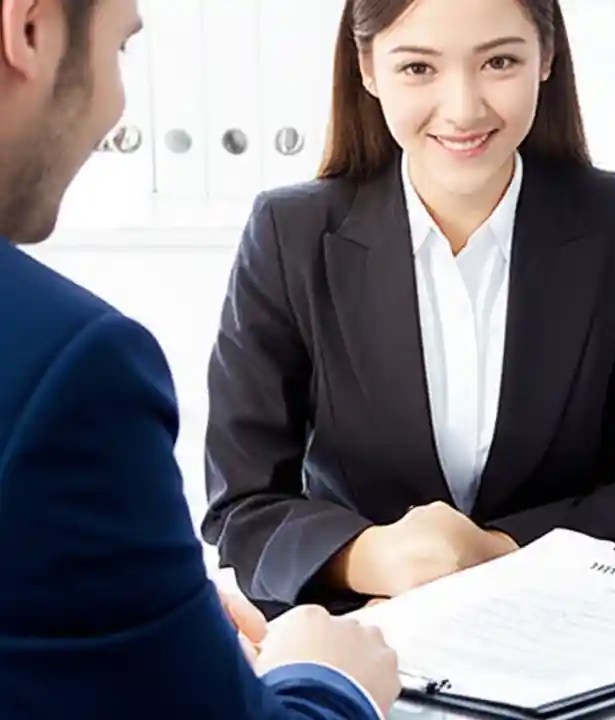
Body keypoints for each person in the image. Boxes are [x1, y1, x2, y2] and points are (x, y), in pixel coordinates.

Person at [202, 0, 615, 617]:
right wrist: (376, 557)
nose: (464, 108)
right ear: (367, 68)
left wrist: (496, 555)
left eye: (499, 61)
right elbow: (243, 507)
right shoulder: (290, 232)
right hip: (362, 633)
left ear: (545, 58)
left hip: (572, 625)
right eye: (418, 68)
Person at [0, 0, 400, 717]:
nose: (117, 112)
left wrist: (144, 610)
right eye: (120, 51)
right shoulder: (71, 368)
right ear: (27, 28)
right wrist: (329, 679)